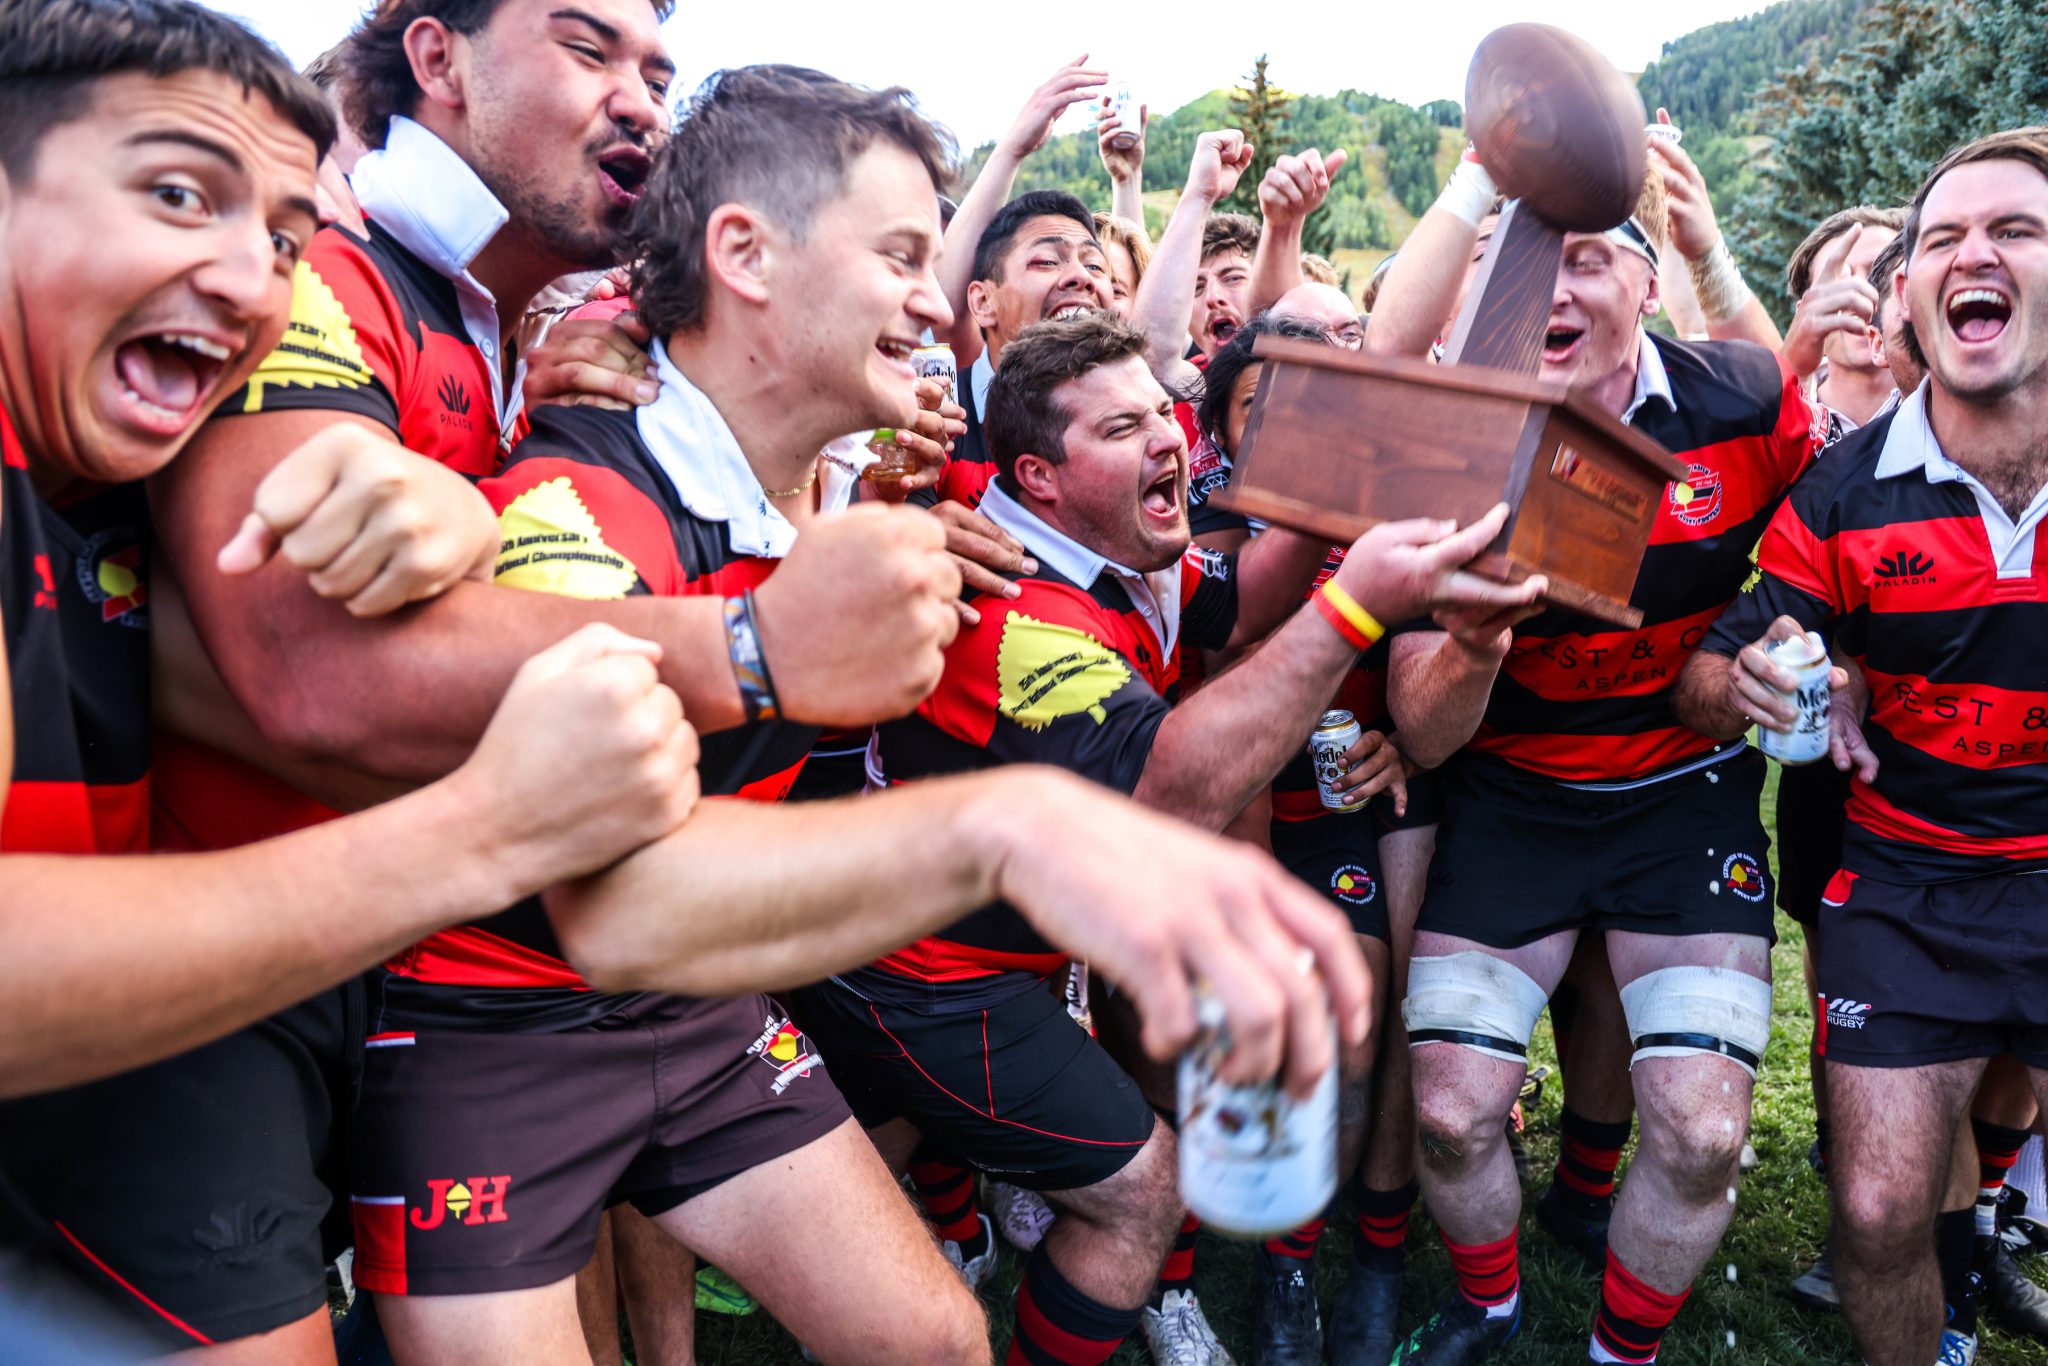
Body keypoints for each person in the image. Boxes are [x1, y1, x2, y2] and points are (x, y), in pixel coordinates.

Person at [0, 2, 705, 1355]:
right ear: (435, 61)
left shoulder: (490, 316)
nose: (258, 279)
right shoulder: (364, 273)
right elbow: (305, 672)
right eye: (588, 46)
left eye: (279, 234)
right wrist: (746, 658)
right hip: (177, 1025)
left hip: (307, 974)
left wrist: (471, 503)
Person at [794, 310, 1544, 1366]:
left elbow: (1230, 605)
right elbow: (1161, 793)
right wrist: (1357, 610)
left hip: (980, 944)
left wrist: (1350, 487)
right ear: (1036, 476)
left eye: (1162, 411)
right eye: (1121, 429)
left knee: (874, 1170)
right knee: (1137, 1192)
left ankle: (944, 1239)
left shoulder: (1115, 549)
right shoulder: (1013, 611)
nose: (1168, 440)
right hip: (924, 973)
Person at [1370, 145, 1824, 1365]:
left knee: (1700, 1132)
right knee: (1454, 1117)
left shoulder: (1740, 399)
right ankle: (1491, 1307)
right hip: (1510, 796)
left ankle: (1617, 1352)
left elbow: (1830, 541)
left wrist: (1785, 639)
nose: (1550, 292)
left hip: (1681, 792)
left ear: (1639, 274)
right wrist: (1470, 644)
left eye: (1580, 260)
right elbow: (1420, 726)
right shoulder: (1444, 439)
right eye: (1519, 265)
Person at [1676, 126, 2048, 1366]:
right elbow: (1698, 676)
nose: (1970, 256)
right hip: (1904, 880)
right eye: (1939, 237)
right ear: (1907, 292)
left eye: (2012, 231)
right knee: (1878, 1210)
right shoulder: (1841, 494)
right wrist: (1761, 679)